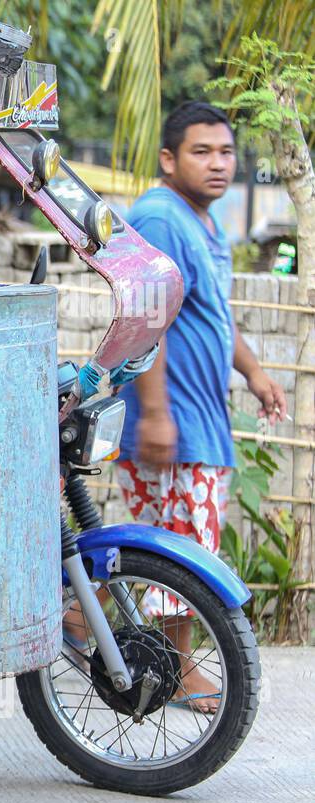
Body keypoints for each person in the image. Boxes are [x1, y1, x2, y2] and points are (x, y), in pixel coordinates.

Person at [115, 100, 287, 712]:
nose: (218, 164)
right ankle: (177, 668)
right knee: (177, 554)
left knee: (186, 547)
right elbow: (146, 315)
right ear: (169, 159)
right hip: (174, 424)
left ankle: (129, 646)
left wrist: (256, 373)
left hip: (199, 423)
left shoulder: (204, 224)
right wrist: (157, 412)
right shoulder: (161, 218)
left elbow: (212, 314)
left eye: (226, 152)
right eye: (201, 151)